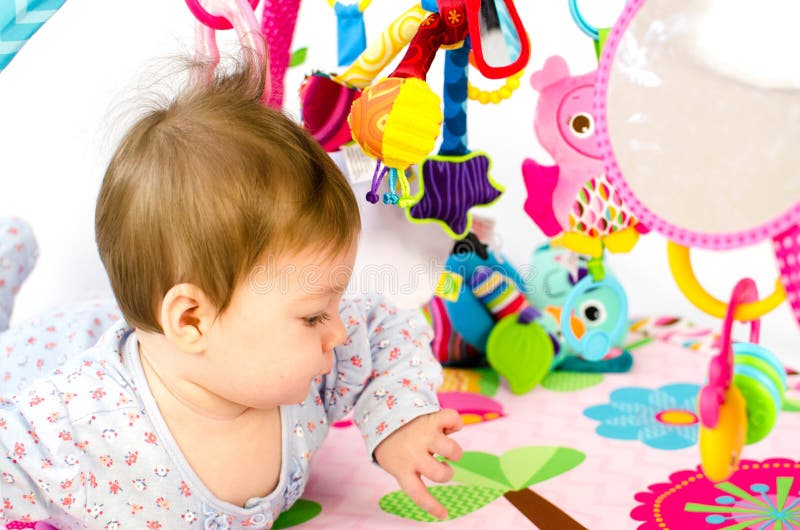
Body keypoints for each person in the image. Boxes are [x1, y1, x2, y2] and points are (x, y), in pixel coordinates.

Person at [0, 58, 463, 530]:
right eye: (312, 317)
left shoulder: (311, 371)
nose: (339, 330)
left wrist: (400, 418)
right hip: (42, 351)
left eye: (334, 304)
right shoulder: (72, 428)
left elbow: (388, 330)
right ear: (194, 320)